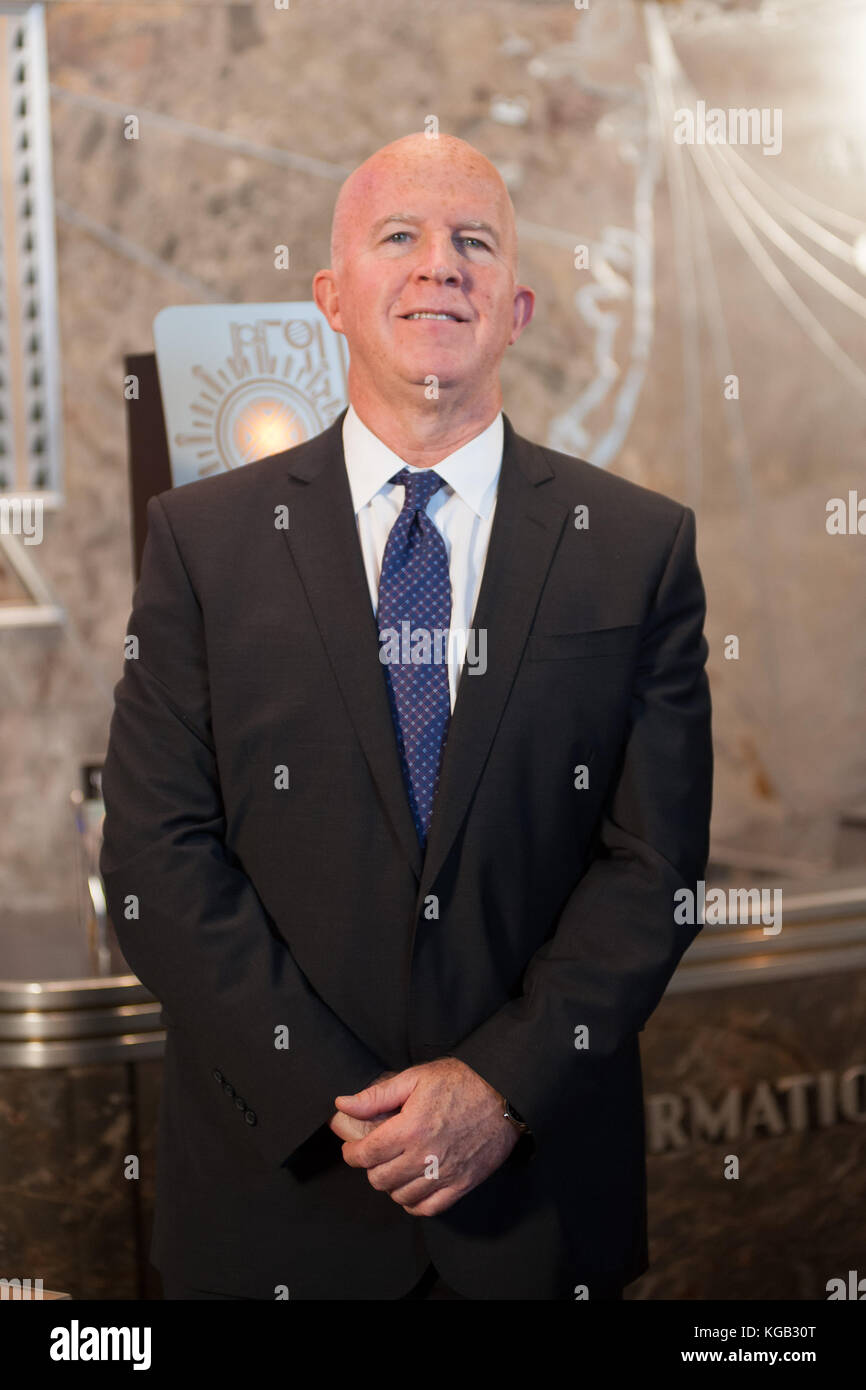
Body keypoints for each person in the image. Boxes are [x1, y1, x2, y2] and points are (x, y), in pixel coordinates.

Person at [99, 132, 713, 1301]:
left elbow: (655, 866)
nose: (441, 265)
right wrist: (347, 1110)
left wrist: (497, 1090)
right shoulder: (201, 544)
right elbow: (155, 860)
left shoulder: (634, 549)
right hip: (273, 1201)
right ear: (331, 298)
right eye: (400, 237)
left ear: (516, 307)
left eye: (472, 242)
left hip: (533, 1212)